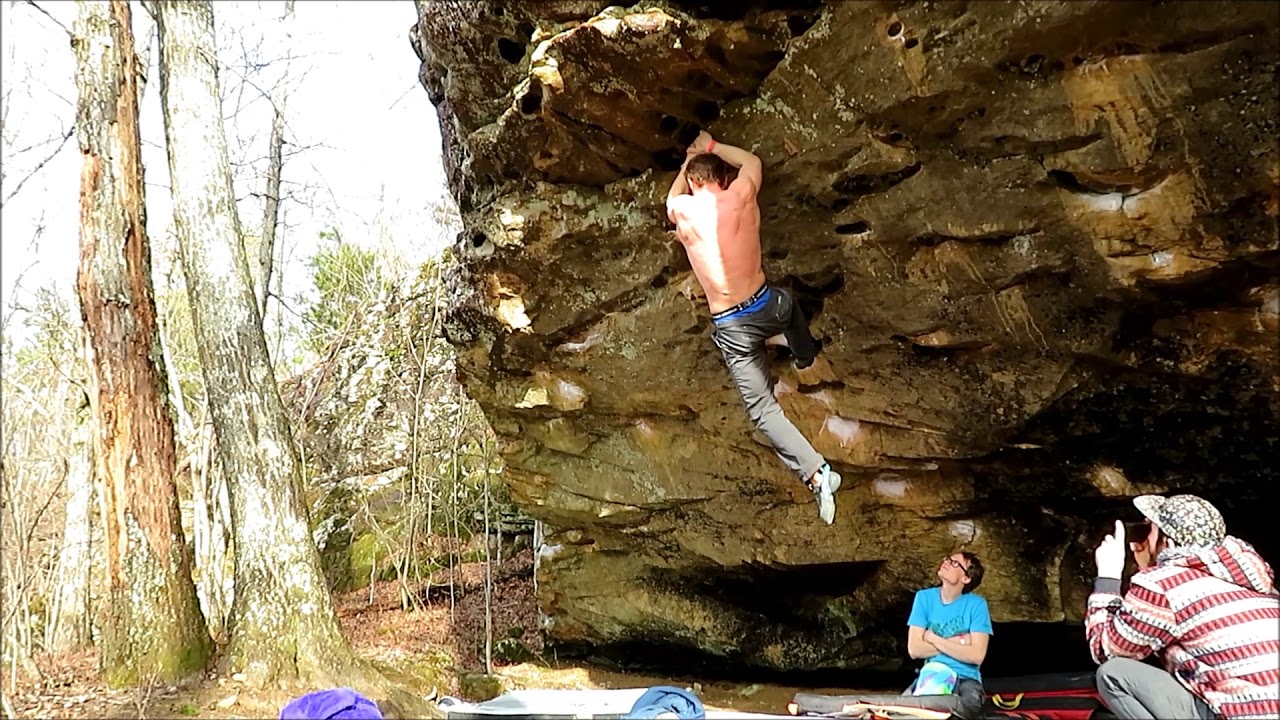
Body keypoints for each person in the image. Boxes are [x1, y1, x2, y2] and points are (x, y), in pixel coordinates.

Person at [665, 130, 841, 524]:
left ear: (694, 184)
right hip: (768, 305)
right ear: (722, 179)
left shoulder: (684, 211)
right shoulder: (740, 195)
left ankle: (817, 473)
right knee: (791, 304)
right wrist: (709, 146)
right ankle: (803, 355)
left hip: (732, 326)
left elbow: (670, 200)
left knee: (762, 410)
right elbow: (752, 161)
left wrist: (684, 163)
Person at [1087, 494, 1280, 720]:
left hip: (1241, 713)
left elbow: (1106, 650)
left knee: (1114, 674)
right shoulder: (1260, 585)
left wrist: (1108, 577)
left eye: (1145, 532)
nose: (1134, 543)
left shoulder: (1164, 583)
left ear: (1167, 542)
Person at [903, 551, 992, 720]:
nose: (946, 562)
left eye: (955, 563)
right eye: (948, 559)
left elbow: (976, 655)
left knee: (966, 710)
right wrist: (957, 643)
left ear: (966, 578)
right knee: (901, 712)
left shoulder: (977, 605)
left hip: (965, 679)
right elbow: (914, 649)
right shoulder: (924, 598)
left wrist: (933, 638)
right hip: (931, 675)